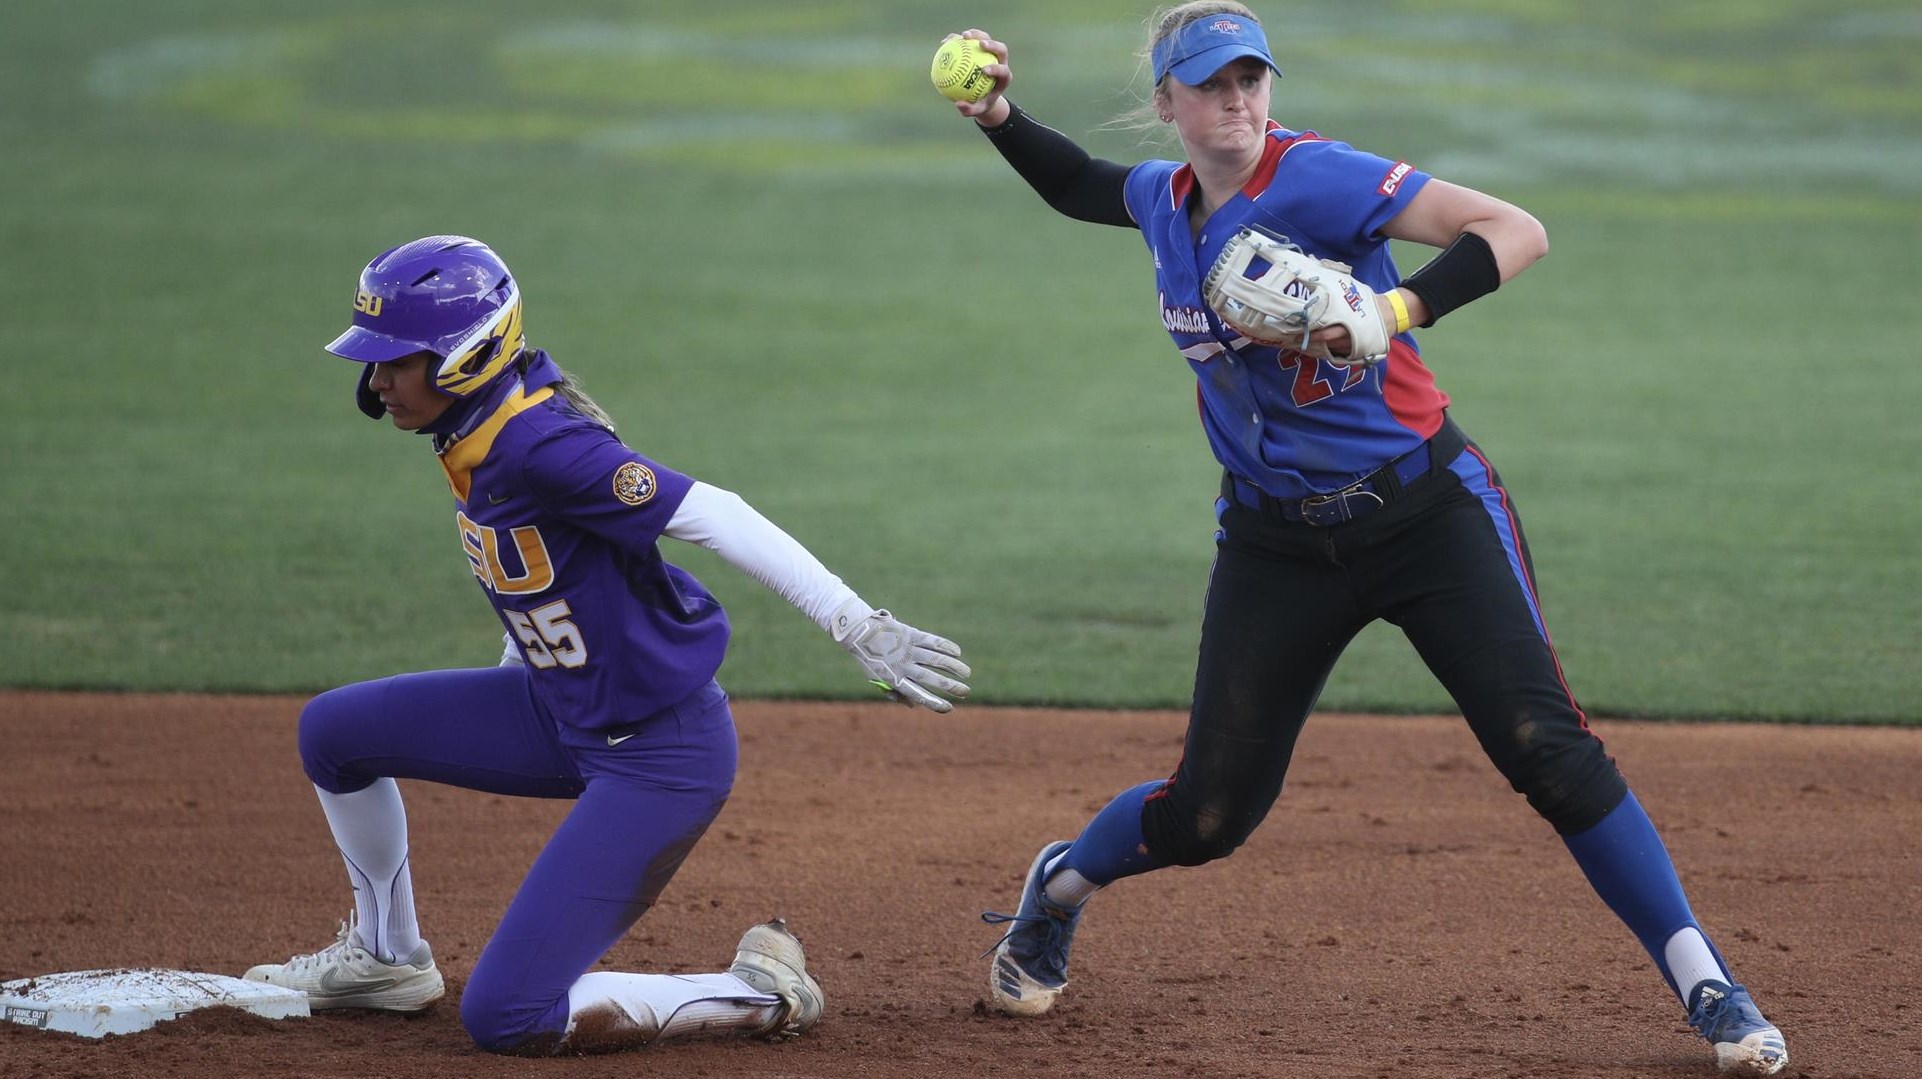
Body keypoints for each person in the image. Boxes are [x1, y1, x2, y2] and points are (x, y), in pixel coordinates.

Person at [941, 7, 1786, 1076]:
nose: (1236, 100)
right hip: (1275, 545)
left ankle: (1710, 986)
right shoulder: (1163, 202)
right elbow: (1078, 183)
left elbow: (1513, 229)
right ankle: (1058, 888)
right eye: (1209, 84)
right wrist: (997, 116)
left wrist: (1396, 309)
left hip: (1425, 513)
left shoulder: (1318, 177)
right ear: (1167, 102)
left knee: (1548, 749)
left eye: (1250, 79)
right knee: (1207, 814)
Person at [242, 235, 971, 1055]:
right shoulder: (475, 428)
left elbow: (717, 513)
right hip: (562, 709)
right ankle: (386, 959)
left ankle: (755, 992)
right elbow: (547, 570)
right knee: (333, 733)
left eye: (395, 361)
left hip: (659, 756)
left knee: (507, 1015)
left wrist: (856, 623)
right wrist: (518, 664)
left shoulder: (544, 447)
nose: (377, 381)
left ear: (464, 357)